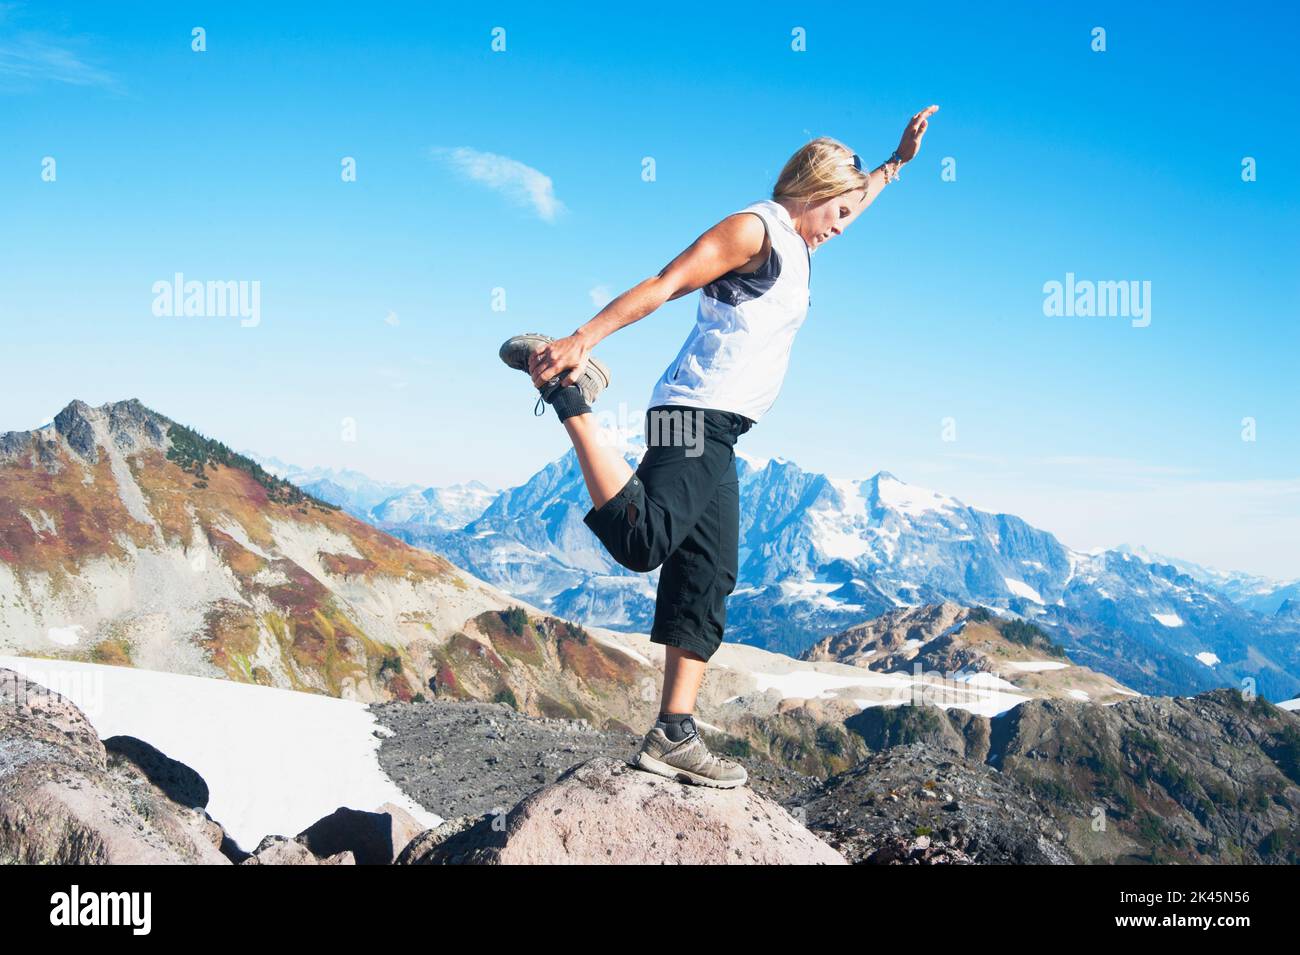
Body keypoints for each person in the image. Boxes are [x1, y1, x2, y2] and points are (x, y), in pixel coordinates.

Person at [500, 106, 939, 787]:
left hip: (722, 429)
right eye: (839, 213)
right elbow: (667, 282)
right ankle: (570, 398)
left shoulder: (800, 241)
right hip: (691, 414)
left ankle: (673, 732)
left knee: (708, 574)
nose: (843, 226)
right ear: (813, 191)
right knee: (644, 541)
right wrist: (584, 337)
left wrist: (895, 165)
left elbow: (859, 195)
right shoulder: (755, 228)